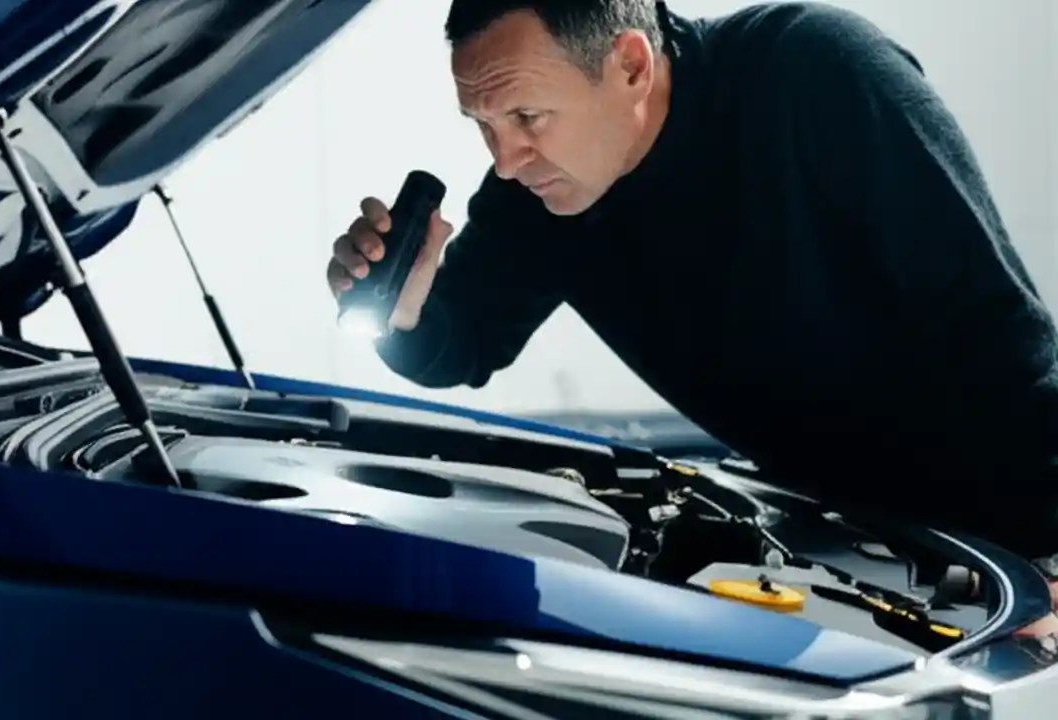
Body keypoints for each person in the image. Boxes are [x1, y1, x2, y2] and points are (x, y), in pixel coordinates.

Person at [325, 0, 1058, 612]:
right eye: (484, 125)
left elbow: (1000, 346)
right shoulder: (539, 195)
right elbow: (464, 341)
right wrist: (405, 307)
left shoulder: (816, 73)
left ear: (632, 66)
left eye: (527, 116)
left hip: (1014, 545)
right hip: (846, 552)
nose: (506, 159)